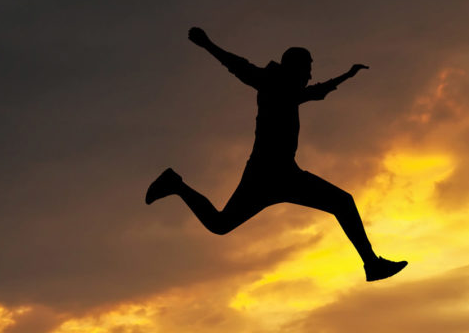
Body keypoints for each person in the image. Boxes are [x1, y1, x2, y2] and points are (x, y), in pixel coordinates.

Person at [146, 27, 407, 282]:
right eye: (307, 69)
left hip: (283, 175)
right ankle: (372, 264)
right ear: (296, 67)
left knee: (223, 224)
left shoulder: (291, 92)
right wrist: (208, 44)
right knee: (341, 203)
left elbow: (318, 92)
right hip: (267, 175)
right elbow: (237, 65)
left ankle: (372, 264)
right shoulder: (271, 83)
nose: (309, 74)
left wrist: (347, 76)